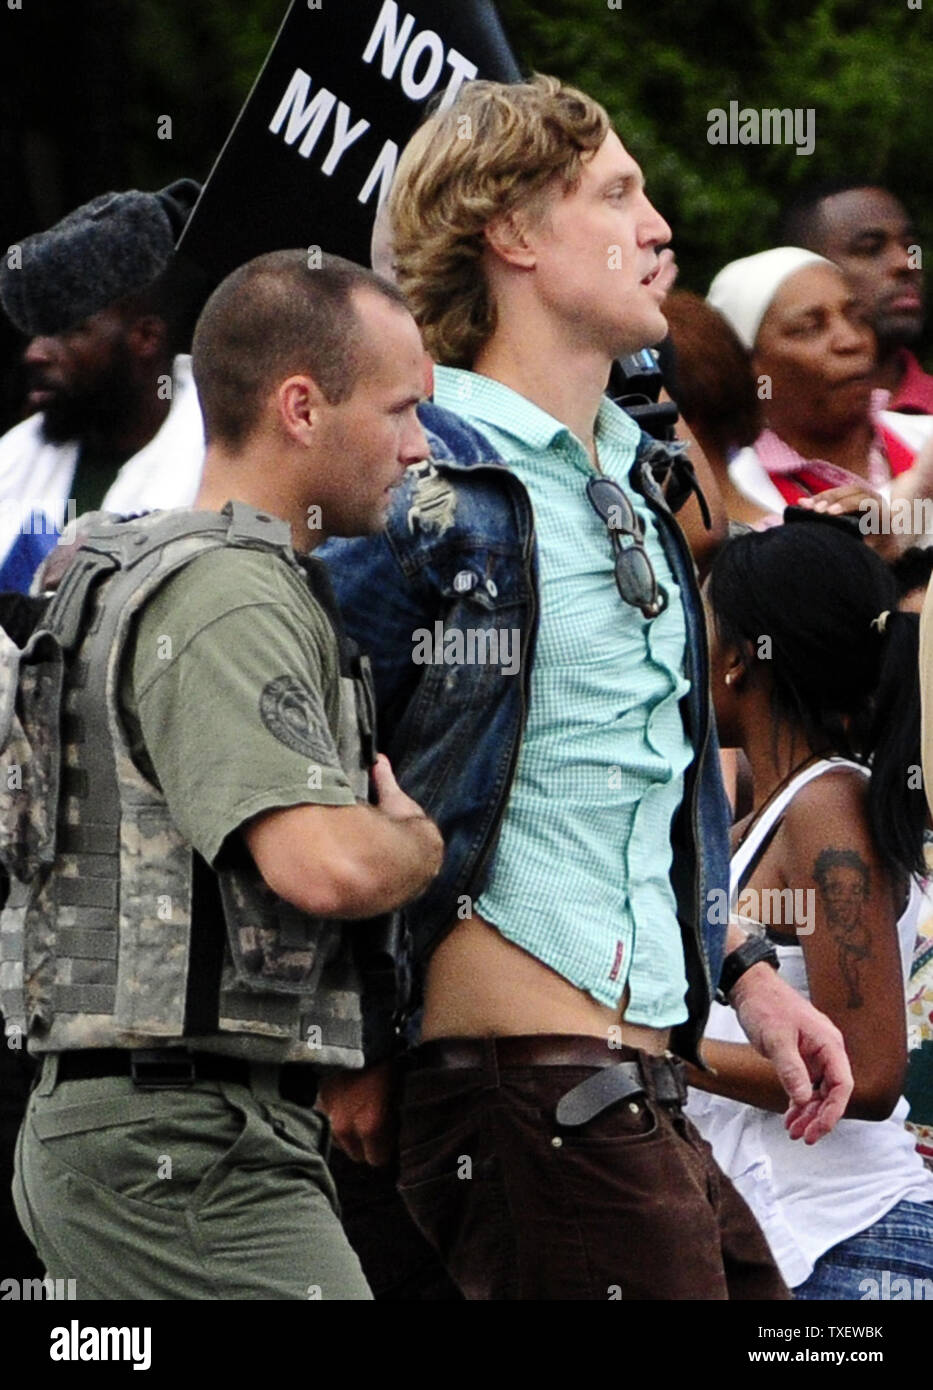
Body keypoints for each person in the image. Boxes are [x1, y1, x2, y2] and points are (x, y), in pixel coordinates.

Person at [318, 75, 853, 1301]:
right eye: (618, 191)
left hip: (626, 1079)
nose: (660, 224)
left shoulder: (635, 472)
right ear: (511, 234)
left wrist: (750, 975)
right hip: (517, 1080)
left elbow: (643, 784)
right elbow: (317, 750)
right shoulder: (428, 464)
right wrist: (339, 1034)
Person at [2, 249, 444, 1300]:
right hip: (186, 1151)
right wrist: (415, 845)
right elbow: (322, 864)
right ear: (302, 406)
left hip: (165, 1134)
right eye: (399, 411)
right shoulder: (230, 596)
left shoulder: (161, 568)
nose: (419, 448)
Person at [687, 519, 933, 1297]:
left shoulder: (827, 804)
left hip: (849, 1247)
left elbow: (864, 1075)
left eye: (698, 624)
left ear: (736, 659)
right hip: (789, 1251)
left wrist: (652, 1050)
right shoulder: (750, 825)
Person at [0, 182, 206, 592]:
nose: (35, 354)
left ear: (146, 337)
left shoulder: (221, 449)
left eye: (69, 331)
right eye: (37, 333)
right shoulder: (14, 458)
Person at [708, 246, 933, 539]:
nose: (851, 341)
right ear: (748, 364)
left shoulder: (925, 438)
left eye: (857, 317)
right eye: (809, 328)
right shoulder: (736, 498)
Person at [781, 182, 932, 422]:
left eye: (909, 246)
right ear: (808, 269)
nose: (906, 263)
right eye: (871, 249)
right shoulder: (750, 431)